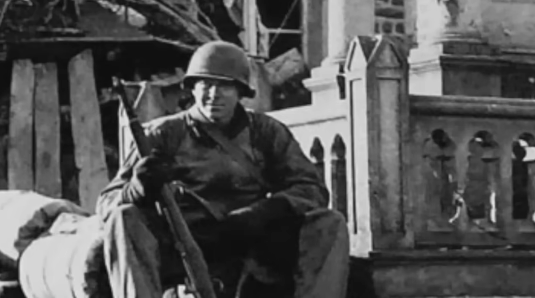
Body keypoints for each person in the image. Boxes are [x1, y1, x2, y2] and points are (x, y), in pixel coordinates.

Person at [94, 42, 348, 298]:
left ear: (240, 91)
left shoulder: (266, 133)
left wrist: (265, 212)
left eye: (224, 86)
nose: (213, 95)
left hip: (250, 240)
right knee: (124, 217)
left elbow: (312, 189)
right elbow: (106, 204)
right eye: (205, 85)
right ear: (192, 89)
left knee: (328, 223)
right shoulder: (163, 135)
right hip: (182, 240)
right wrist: (136, 189)